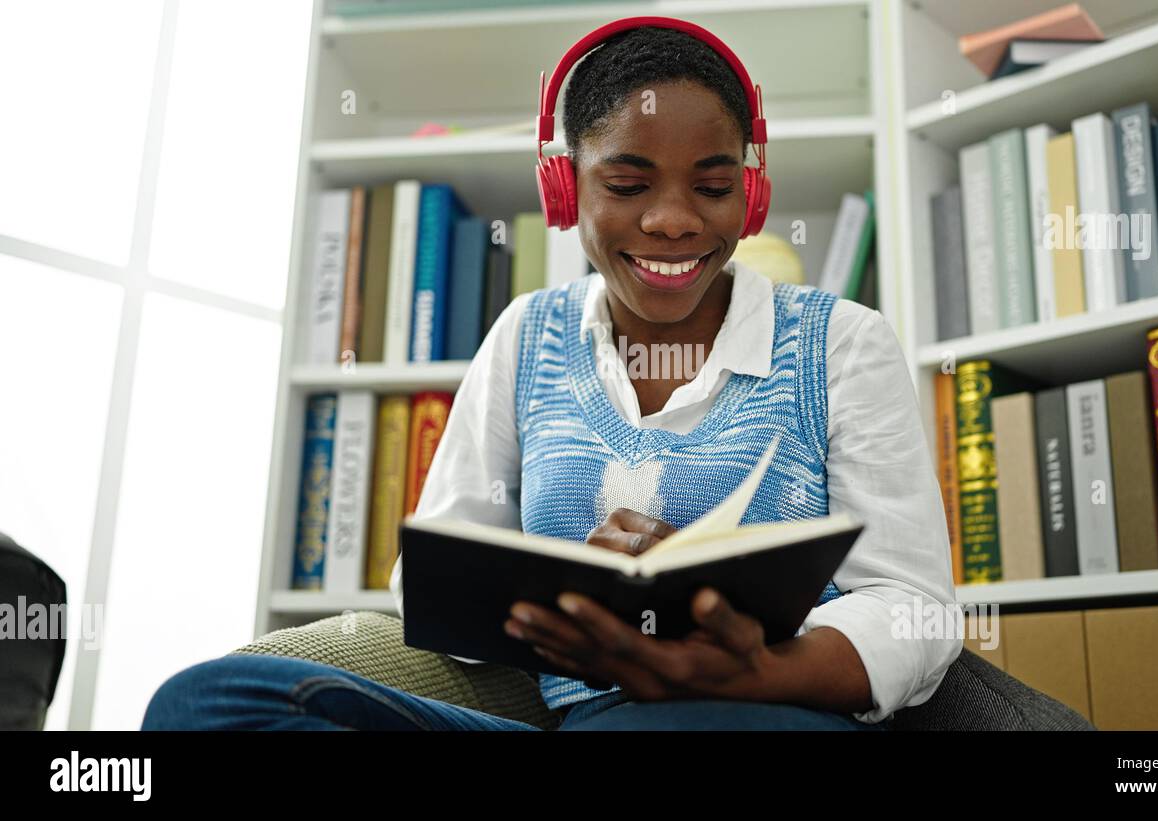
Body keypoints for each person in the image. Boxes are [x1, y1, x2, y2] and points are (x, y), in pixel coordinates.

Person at [142, 19, 960, 732]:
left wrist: (756, 660)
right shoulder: (528, 335)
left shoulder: (840, 343)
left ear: (749, 194)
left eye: (711, 185)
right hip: (579, 718)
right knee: (210, 703)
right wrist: (580, 599)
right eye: (628, 183)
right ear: (564, 187)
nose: (673, 218)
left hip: (772, 710)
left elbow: (912, 607)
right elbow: (432, 583)